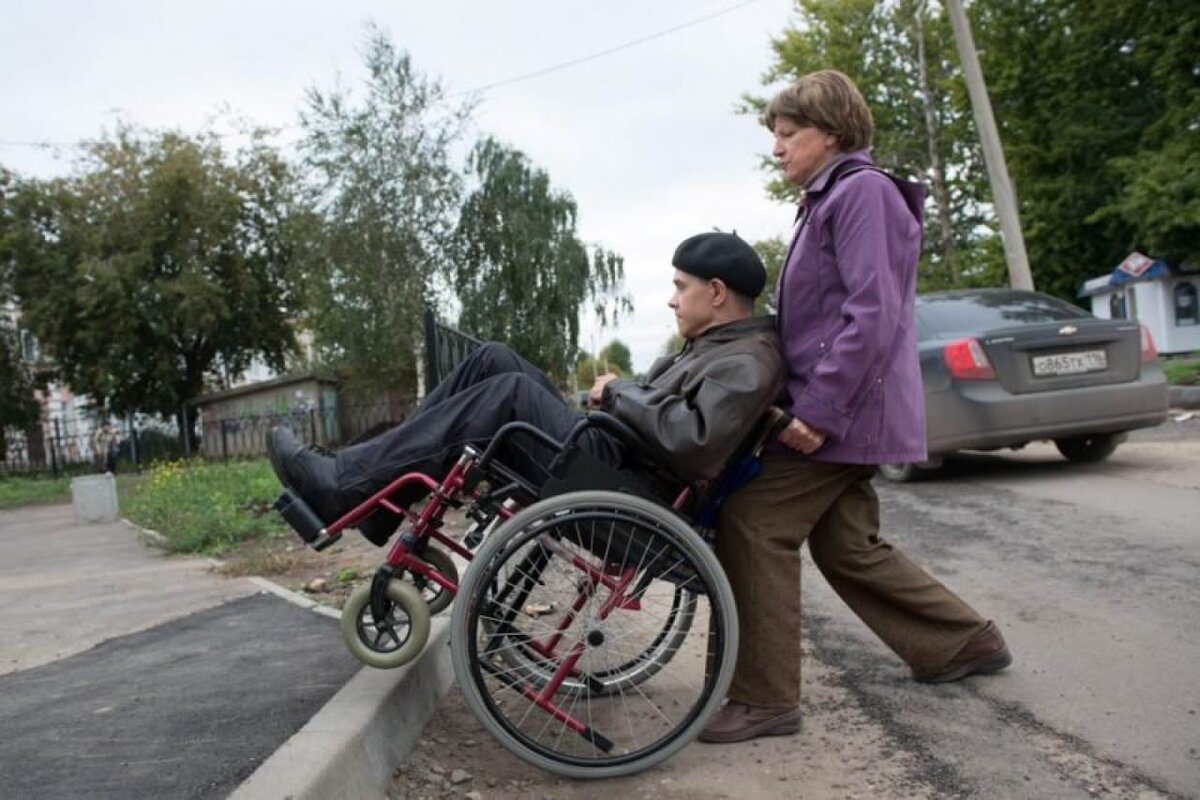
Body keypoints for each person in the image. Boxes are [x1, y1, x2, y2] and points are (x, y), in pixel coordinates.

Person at [699, 70, 1012, 745]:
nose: (777, 148)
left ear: (832, 134)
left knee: (753, 521)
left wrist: (819, 411)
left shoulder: (862, 193)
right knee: (847, 545)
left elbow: (871, 313)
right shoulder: (828, 200)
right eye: (775, 137)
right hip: (844, 407)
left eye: (788, 135)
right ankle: (962, 641)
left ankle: (765, 697)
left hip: (845, 411)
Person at [267, 231, 784, 546]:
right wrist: (622, 393)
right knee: (492, 356)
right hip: (614, 461)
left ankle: (346, 484)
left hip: (628, 487)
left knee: (511, 392)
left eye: (680, 286)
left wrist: (619, 390)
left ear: (716, 293)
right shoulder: (717, 346)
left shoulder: (746, 361)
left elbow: (690, 443)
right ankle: (378, 496)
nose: (673, 300)